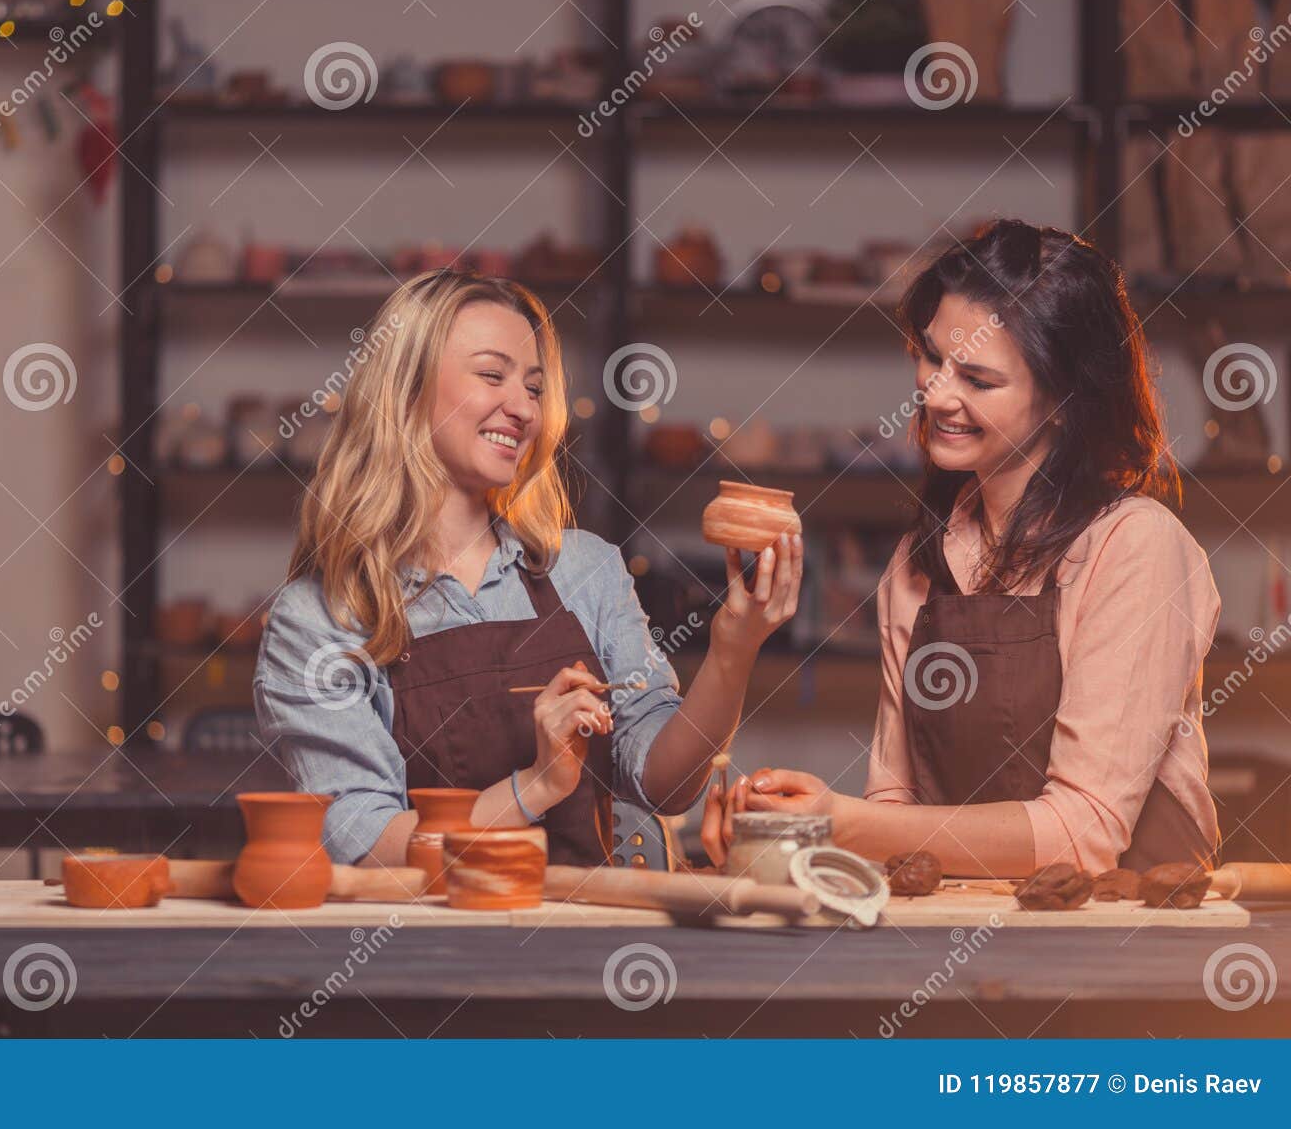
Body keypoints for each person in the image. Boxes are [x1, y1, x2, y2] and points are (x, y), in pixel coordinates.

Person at [704, 220, 1219, 877]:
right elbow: (896, 806)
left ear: (1063, 397)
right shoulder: (920, 560)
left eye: (977, 378)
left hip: (1118, 949)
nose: (936, 392)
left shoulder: (1135, 548)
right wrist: (788, 837)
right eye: (930, 356)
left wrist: (838, 820)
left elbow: (1082, 832)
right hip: (948, 946)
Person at [254, 269, 803, 867]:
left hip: (589, 937)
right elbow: (364, 844)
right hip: (425, 949)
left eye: (535, 388)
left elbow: (666, 786)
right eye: (493, 375)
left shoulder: (584, 570)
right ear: (405, 390)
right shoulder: (320, 618)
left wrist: (733, 649)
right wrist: (535, 785)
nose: (522, 408)